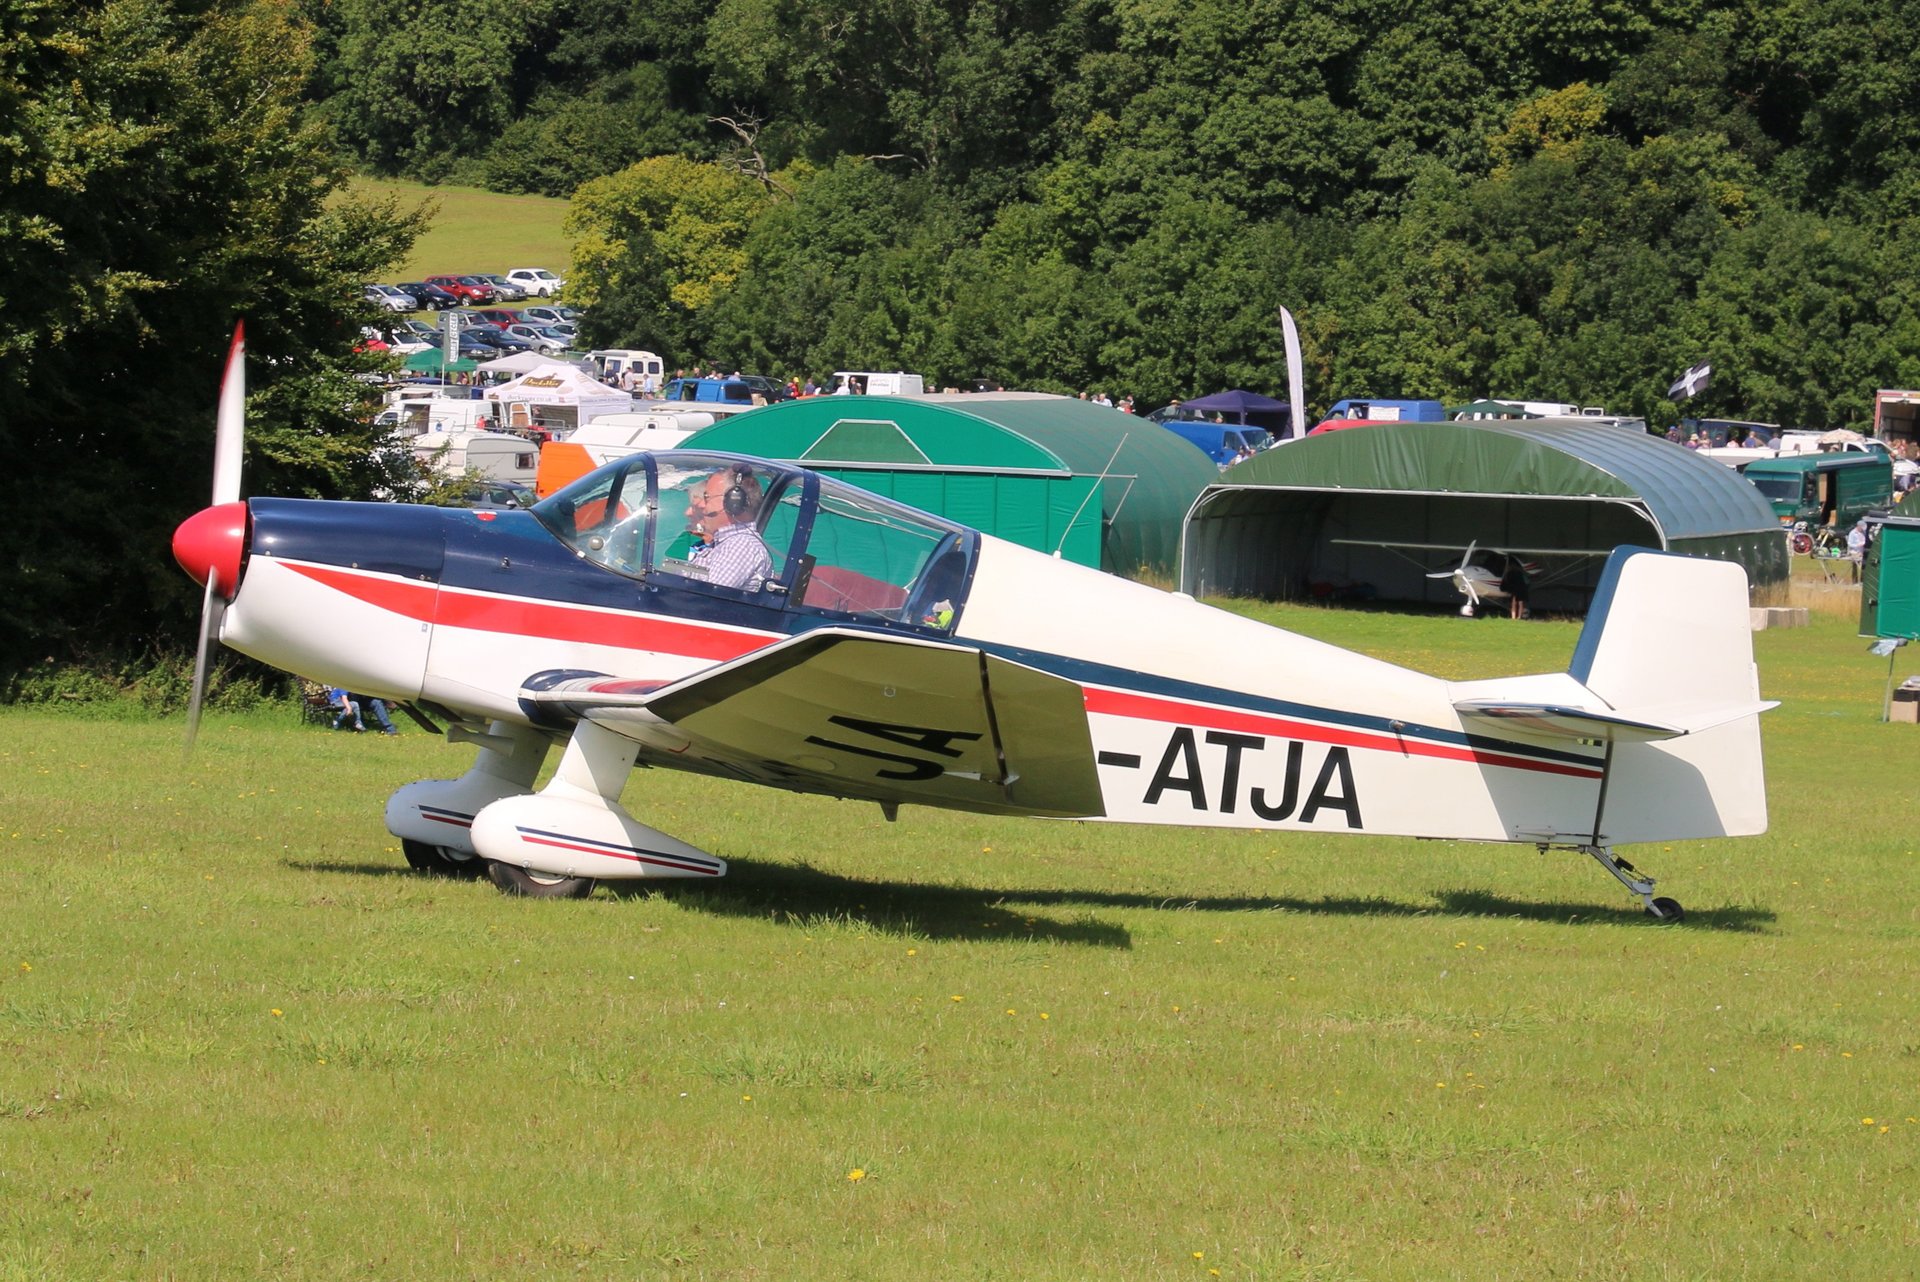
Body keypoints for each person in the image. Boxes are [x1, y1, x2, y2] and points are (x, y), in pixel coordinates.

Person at [686, 465, 772, 590]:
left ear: (734, 504)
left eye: (707, 498)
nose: (703, 506)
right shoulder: (724, 544)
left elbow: (707, 596)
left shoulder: (740, 545)